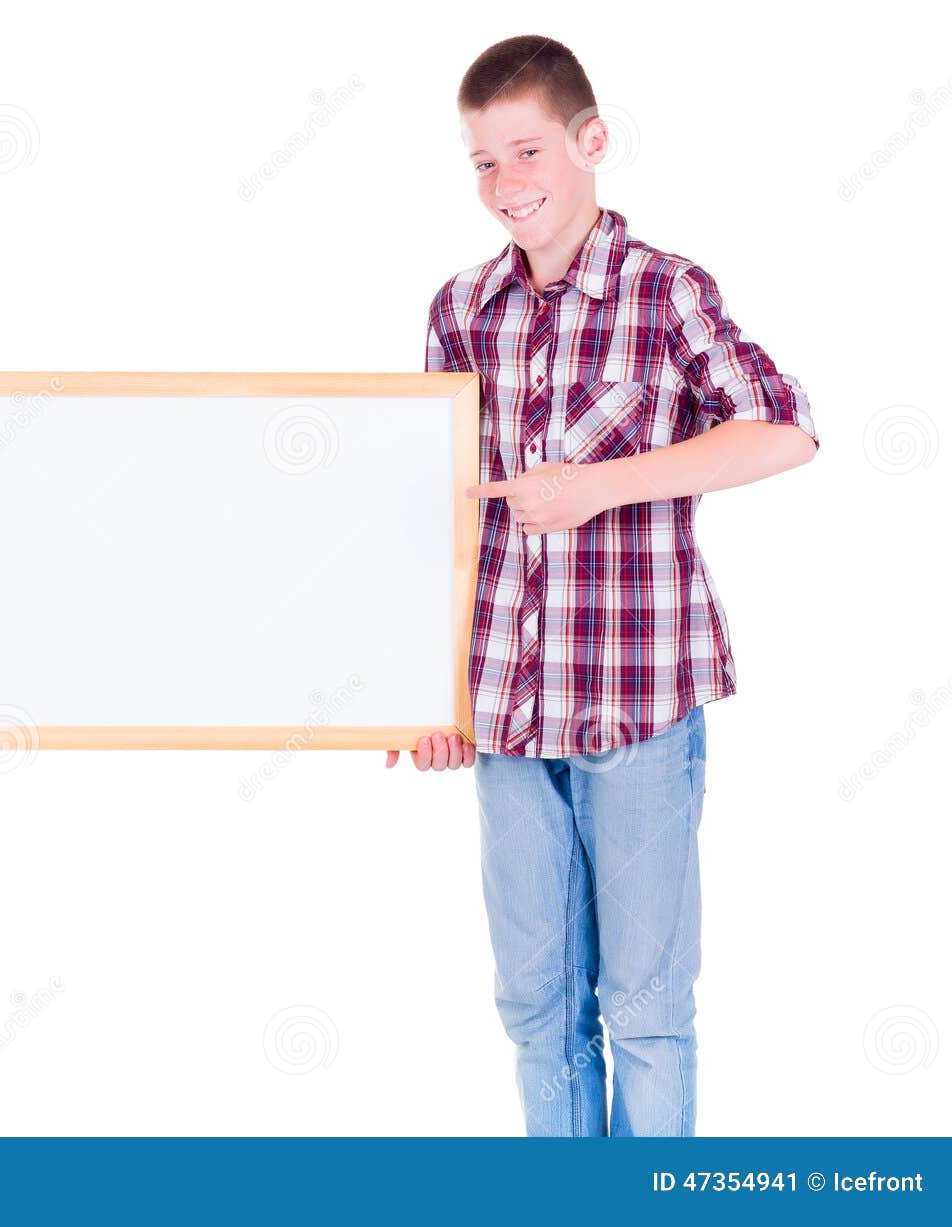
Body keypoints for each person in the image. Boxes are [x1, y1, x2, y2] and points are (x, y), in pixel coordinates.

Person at [387, 36, 820, 1136]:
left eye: (525, 150)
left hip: (635, 706)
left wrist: (597, 488)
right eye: (480, 162)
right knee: (534, 1004)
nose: (505, 184)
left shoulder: (664, 292)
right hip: (501, 715)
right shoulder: (458, 309)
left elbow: (782, 432)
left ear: (591, 141)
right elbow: (427, 509)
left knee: (644, 1007)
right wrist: (414, 693)